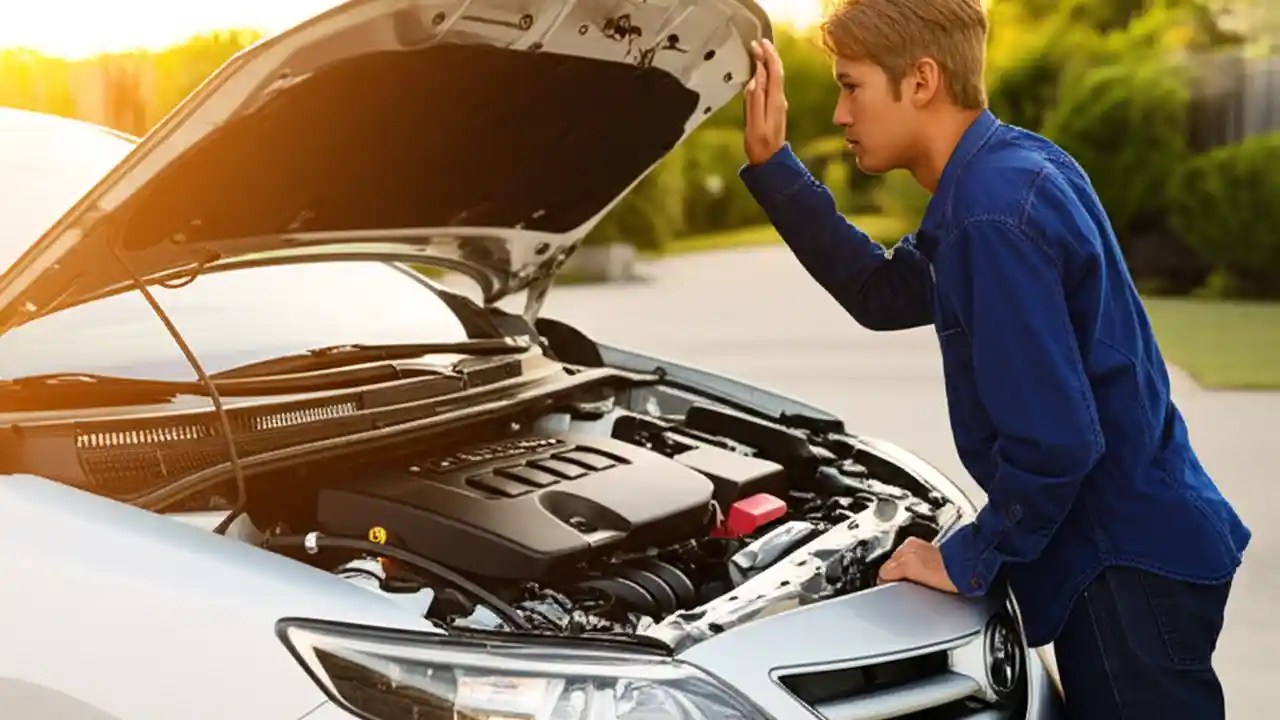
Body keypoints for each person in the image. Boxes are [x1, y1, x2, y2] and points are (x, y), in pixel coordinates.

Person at [738, 1, 1251, 717]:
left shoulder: (990, 212)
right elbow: (884, 293)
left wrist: (965, 556)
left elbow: (1057, 444)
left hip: (1122, 571)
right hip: (1146, 549)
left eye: (850, 86)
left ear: (920, 80)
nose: (840, 115)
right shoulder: (1010, 170)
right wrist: (775, 169)